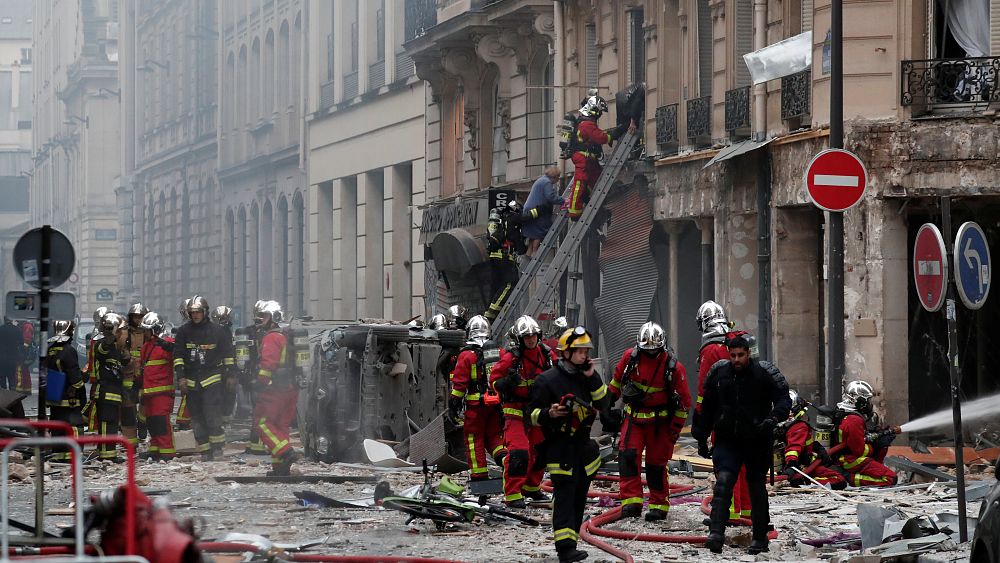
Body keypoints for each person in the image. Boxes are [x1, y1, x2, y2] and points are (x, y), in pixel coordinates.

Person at [693, 334, 791, 555]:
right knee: (724, 482)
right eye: (733, 355)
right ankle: (716, 534)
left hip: (756, 439)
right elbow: (707, 407)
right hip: (728, 439)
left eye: (741, 355)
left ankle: (759, 537)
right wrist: (701, 435)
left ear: (749, 354)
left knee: (756, 488)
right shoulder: (719, 374)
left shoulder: (764, 374)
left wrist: (773, 419)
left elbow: (784, 399)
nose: (736, 359)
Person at [529, 326, 610, 563]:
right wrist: (549, 413)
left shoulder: (587, 378)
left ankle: (571, 541)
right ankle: (564, 548)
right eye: (580, 351)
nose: (585, 355)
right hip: (559, 447)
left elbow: (603, 403)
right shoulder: (547, 381)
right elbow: (530, 415)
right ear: (566, 353)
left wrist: (593, 377)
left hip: (582, 448)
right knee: (564, 495)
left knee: (579, 495)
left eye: (586, 351)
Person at [610, 322, 691, 521]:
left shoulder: (673, 367)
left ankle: (658, 505)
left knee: (656, 465)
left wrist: (674, 431)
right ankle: (631, 503)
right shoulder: (631, 358)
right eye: (647, 350)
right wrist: (606, 405)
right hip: (634, 419)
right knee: (628, 458)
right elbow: (616, 382)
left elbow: (684, 404)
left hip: (660, 424)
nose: (650, 353)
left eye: (654, 350)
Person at [489, 315, 556, 507]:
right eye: (526, 336)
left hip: (538, 412)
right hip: (515, 411)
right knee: (519, 453)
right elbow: (493, 381)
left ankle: (532, 488)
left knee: (542, 452)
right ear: (519, 339)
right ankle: (513, 494)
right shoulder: (511, 358)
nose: (531, 339)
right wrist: (506, 383)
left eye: (533, 335)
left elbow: (559, 375)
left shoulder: (547, 355)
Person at [695, 300, 751, 520]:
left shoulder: (710, 349)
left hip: (724, 417)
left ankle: (729, 512)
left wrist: (701, 428)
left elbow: (704, 391)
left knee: (727, 464)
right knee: (745, 464)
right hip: (748, 414)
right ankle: (748, 511)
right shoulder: (739, 341)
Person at [173, 295, 235, 460]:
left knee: (212, 414)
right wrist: (181, 378)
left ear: (205, 312)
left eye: (198, 312)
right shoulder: (184, 331)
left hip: (212, 377)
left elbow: (228, 354)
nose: (195, 315)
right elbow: (178, 356)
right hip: (192, 380)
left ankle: (217, 448)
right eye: (192, 312)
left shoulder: (218, 331)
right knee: (196, 416)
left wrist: (230, 375)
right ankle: (205, 450)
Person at [449, 315, 506, 482]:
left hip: (476, 406)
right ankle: (507, 461)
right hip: (496, 405)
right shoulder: (499, 353)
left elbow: (459, 385)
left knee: (474, 439)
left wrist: (453, 405)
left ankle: (479, 475)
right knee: (495, 436)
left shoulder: (466, 355)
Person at [252, 301, 300, 476]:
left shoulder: (272, 337)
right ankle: (280, 468)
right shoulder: (287, 335)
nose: (260, 320)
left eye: (264, 316)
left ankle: (286, 452)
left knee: (262, 423)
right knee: (280, 426)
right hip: (290, 388)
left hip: (274, 390)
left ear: (274, 317)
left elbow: (268, 364)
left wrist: (260, 382)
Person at [565, 96, 628, 219]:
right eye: (600, 112)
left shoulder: (584, 122)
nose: (600, 115)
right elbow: (600, 138)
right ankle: (574, 211)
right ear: (595, 110)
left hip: (589, 158)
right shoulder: (586, 124)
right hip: (582, 157)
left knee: (596, 177)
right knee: (580, 181)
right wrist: (614, 134)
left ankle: (591, 198)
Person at [832, 380, 899, 487]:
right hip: (850, 460)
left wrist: (875, 435)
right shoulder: (854, 420)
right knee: (890, 478)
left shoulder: (844, 411)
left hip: (843, 458)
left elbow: (856, 439)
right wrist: (876, 445)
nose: (869, 404)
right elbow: (859, 451)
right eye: (867, 401)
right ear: (859, 401)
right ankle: (849, 478)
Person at [781, 390, 846, 489]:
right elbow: (793, 448)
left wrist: (817, 448)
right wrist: (792, 466)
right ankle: (805, 482)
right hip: (802, 468)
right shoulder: (799, 426)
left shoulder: (784, 426)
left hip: (795, 467)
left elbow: (803, 443)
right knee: (838, 479)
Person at [44, 320, 85, 460]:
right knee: (74, 425)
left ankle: (59, 455)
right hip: (69, 398)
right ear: (69, 331)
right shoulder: (69, 350)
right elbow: (74, 375)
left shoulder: (49, 348)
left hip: (54, 396)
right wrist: (79, 384)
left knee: (57, 424)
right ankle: (74, 455)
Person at [139, 312, 177, 461]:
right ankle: (155, 449)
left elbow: (177, 353)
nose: (145, 333)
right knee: (152, 422)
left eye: (147, 330)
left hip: (162, 392)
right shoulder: (146, 346)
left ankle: (167, 451)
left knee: (161, 422)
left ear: (155, 329)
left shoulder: (166, 344)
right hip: (149, 392)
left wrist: (169, 347)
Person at [94, 313, 130, 461]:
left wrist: (126, 357)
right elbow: (102, 350)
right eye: (121, 331)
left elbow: (121, 365)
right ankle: (105, 455)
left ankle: (110, 453)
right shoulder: (102, 344)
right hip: (104, 392)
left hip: (115, 392)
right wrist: (110, 334)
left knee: (112, 425)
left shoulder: (116, 348)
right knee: (105, 425)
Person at [484, 200, 525, 323]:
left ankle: (489, 315)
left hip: (494, 258)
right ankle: (494, 310)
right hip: (504, 258)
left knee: (496, 286)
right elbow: (516, 241)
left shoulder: (500, 221)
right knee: (510, 284)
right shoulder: (510, 220)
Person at [122, 303, 150, 447]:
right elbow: (121, 350)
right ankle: (130, 441)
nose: (138, 319)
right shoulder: (125, 334)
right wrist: (127, 357)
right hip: (129, 375)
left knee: (146, 402)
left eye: (141, 316)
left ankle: (143, 423)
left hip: (145, 374)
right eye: (135, 316)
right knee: (128, 409)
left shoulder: (149, 333)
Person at [522, 167, 565, 257]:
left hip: (529, 210)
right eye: (558, 177)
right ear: (554, 176)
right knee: (539, 232)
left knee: (532, 233)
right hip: (538, 211)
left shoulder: (541, 180)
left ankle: (529, 253)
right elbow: (550, 197)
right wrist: (563, 200)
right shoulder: (546, 182)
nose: (557, 180)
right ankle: (535, 253)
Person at [211, 305, 238, 425]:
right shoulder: (225, 331)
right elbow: (228, 352)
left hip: (217, 369)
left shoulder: (214, 330)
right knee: (227, 394)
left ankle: (221, 418)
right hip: (223, 369)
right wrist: (231, 372)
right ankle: (223, 418)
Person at [174, 299, 192, 431]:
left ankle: (185, 420)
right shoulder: (184, 329)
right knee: (189, 395)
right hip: (189, 367)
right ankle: (184, 421)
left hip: (198, 367)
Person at [0, 317, 23, 390]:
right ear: (11, 320)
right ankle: (12, 395)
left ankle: (4, 395)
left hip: (2, 358)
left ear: (4, 320)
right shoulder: (17, 329)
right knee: (12, 378)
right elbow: (21, 343)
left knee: (2, 377)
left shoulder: (1, 329)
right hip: (13, 358)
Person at [14, 321, 34, 393]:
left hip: (23, 354)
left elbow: (26, 340)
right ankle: (26, 388)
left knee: (19, 370)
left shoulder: (27, 326)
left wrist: (21, 350)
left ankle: (19, 389)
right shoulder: (27, 326)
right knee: (25, 370)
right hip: (26, 353)